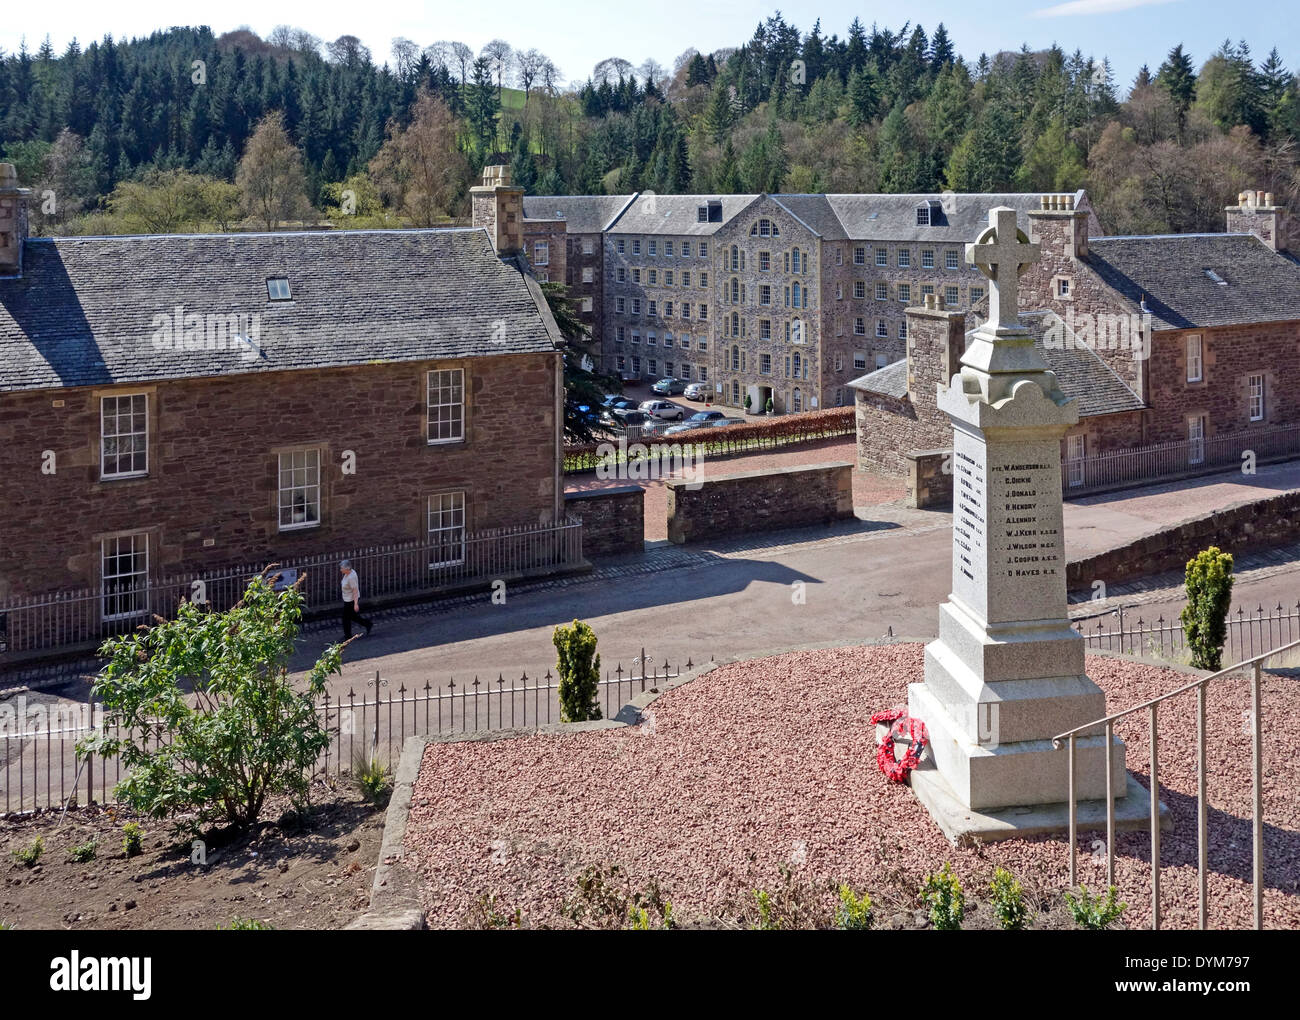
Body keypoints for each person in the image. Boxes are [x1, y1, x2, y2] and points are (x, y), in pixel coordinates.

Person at [339, 560, 373, 639]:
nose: (341, 570)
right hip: (347, 599)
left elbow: (355, 590)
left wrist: (355, 603)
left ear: (347, 568)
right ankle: (368, 624)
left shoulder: (351, 577)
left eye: (342, 568)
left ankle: (348, 636)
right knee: (353, 617)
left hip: (350, 600)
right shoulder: (349, 573)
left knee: (345, 618)